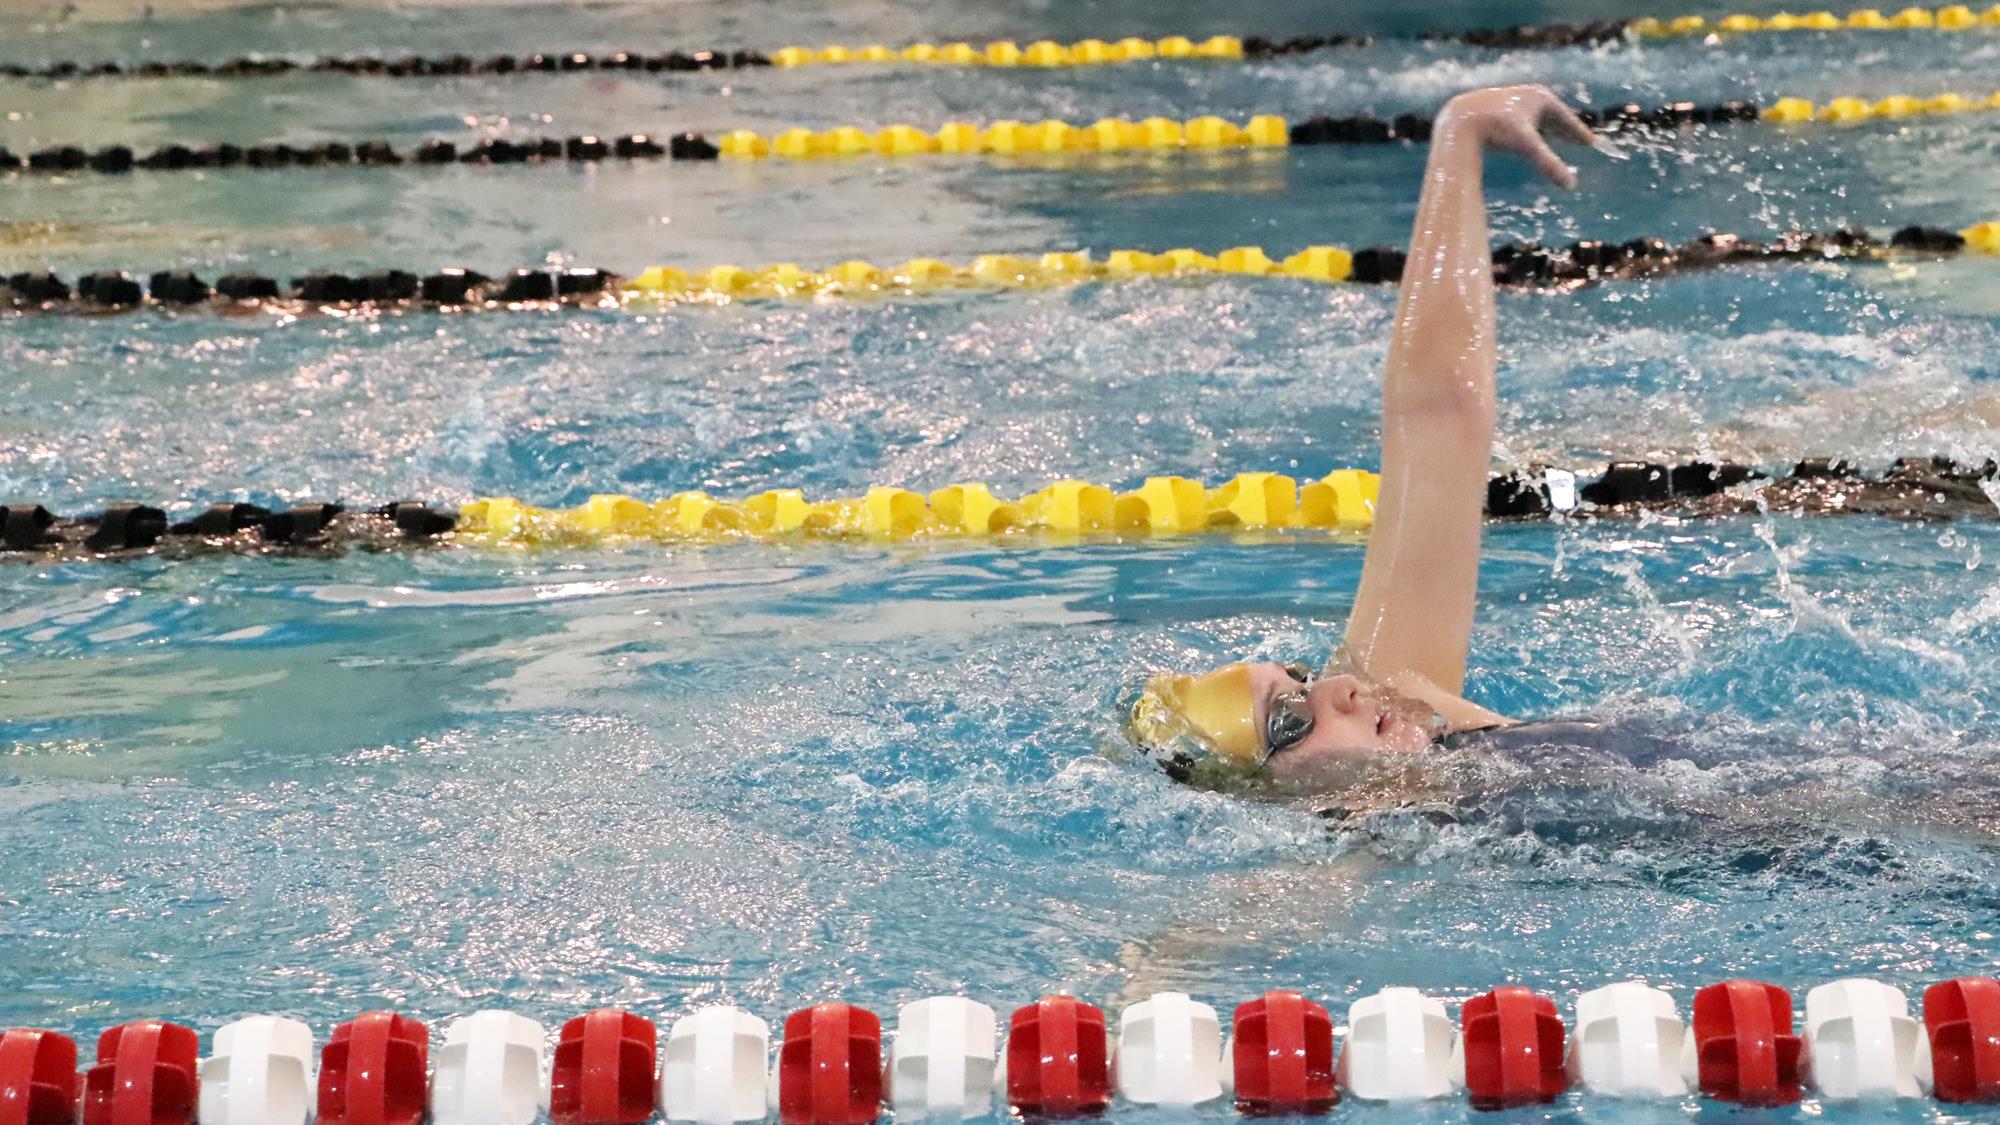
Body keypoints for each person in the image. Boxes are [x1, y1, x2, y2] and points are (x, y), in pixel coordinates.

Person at [1127, 85, 1598, 788]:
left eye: (1302, 681)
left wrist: (1459, 137)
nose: (1341, 690)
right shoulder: (1357, 853)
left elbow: (1439, 414)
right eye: (1291, 722)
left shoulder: (1408, 701)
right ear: (1259, 796)